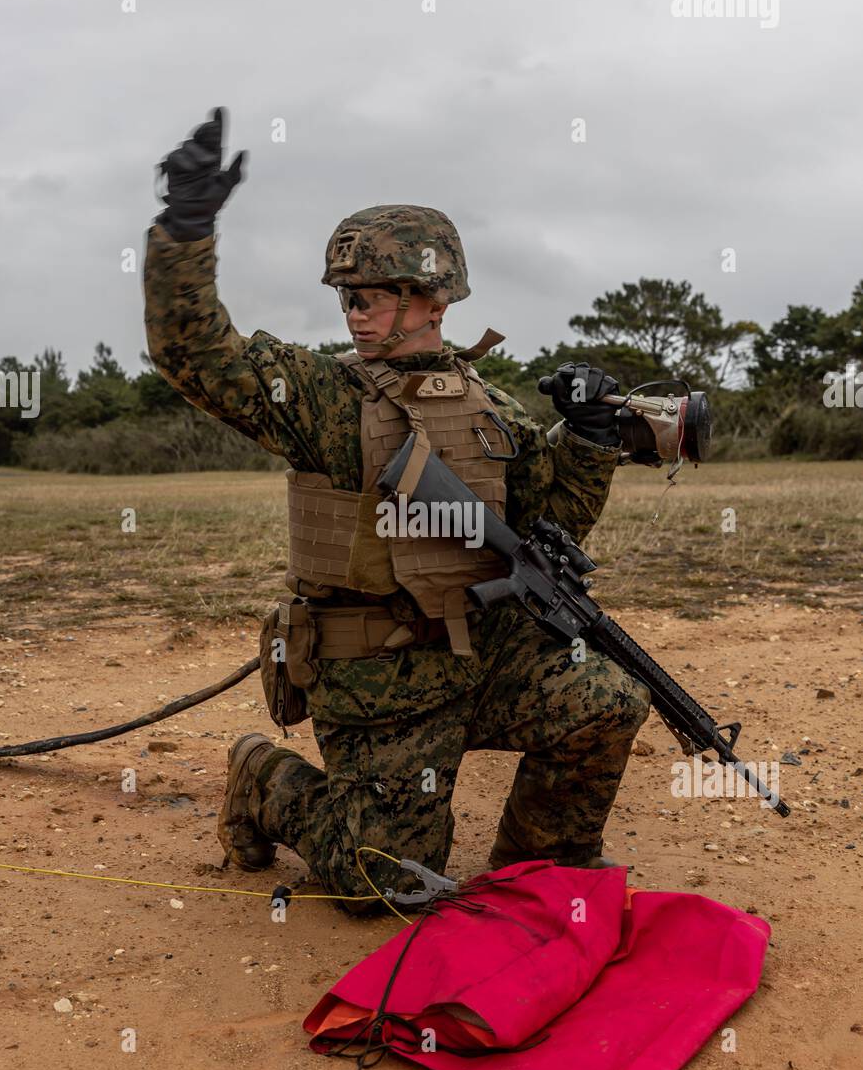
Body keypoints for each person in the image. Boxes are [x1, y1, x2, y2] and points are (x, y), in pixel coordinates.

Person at [144, 108, 650, 911]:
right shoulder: (321, 397)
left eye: (374, 295)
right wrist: (186, 226)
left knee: (607, 700)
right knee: (385, 882)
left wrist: (589, 442)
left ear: (433, 299)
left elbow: (553, 526)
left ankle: (537, 871)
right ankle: (264, 780)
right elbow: (194, 353)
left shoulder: (484, 404)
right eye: (348, 295)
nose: (354, 311)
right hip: (377, 672)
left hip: (478, 653)